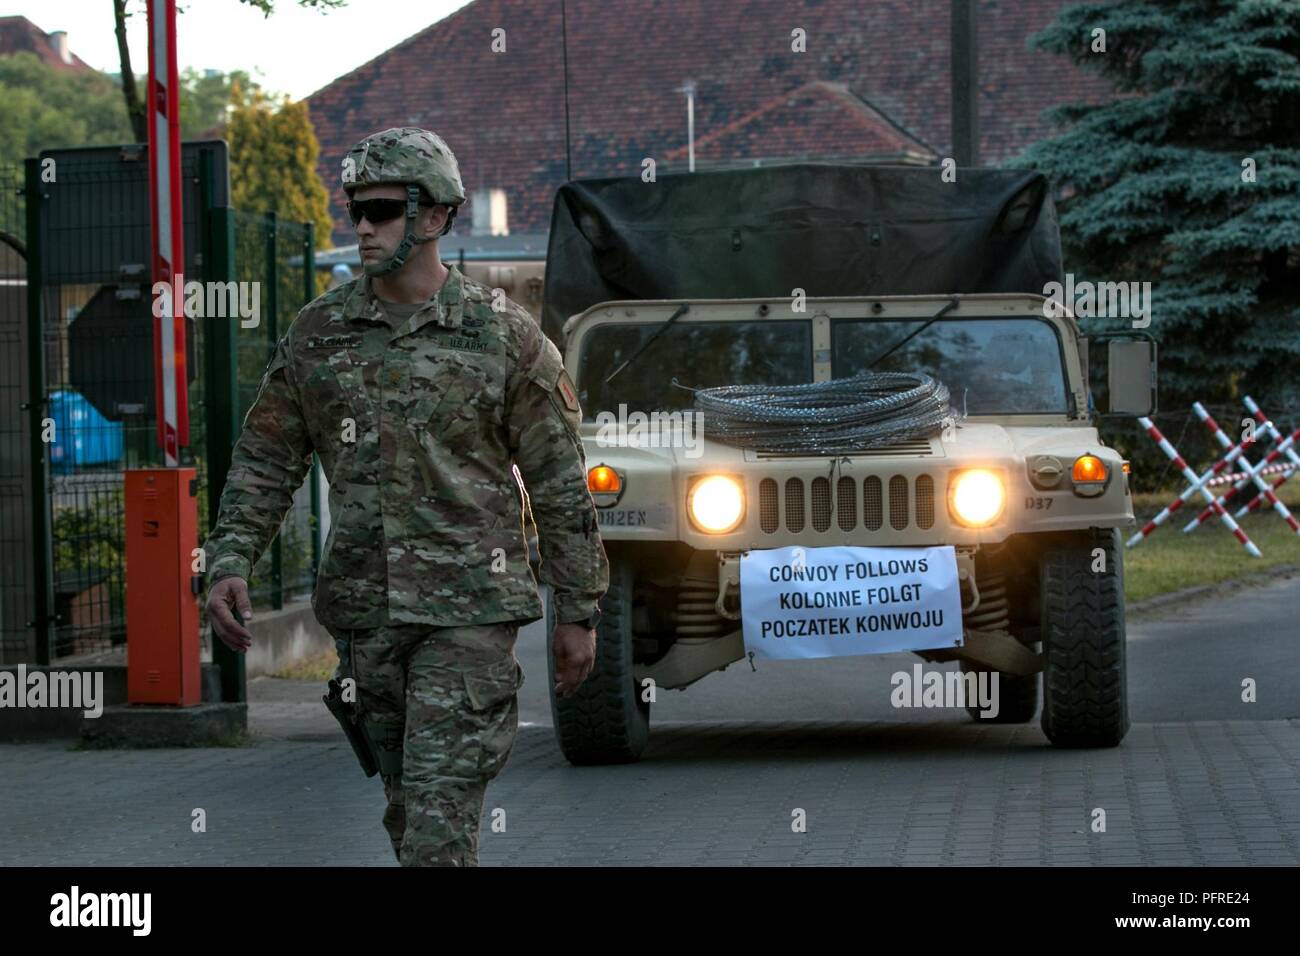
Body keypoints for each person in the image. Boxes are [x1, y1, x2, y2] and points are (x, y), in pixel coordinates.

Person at [202, 127, 609, 866]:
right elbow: (266, 455)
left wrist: (576, 611)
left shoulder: (502, 337)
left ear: (434, 217)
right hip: (367, 619)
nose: (362, 226)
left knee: (435, 821)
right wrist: (230, 557)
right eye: (356, 208)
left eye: (383, 210)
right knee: (408, 810)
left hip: (470, 621)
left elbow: (557, 481)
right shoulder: (319, 334)